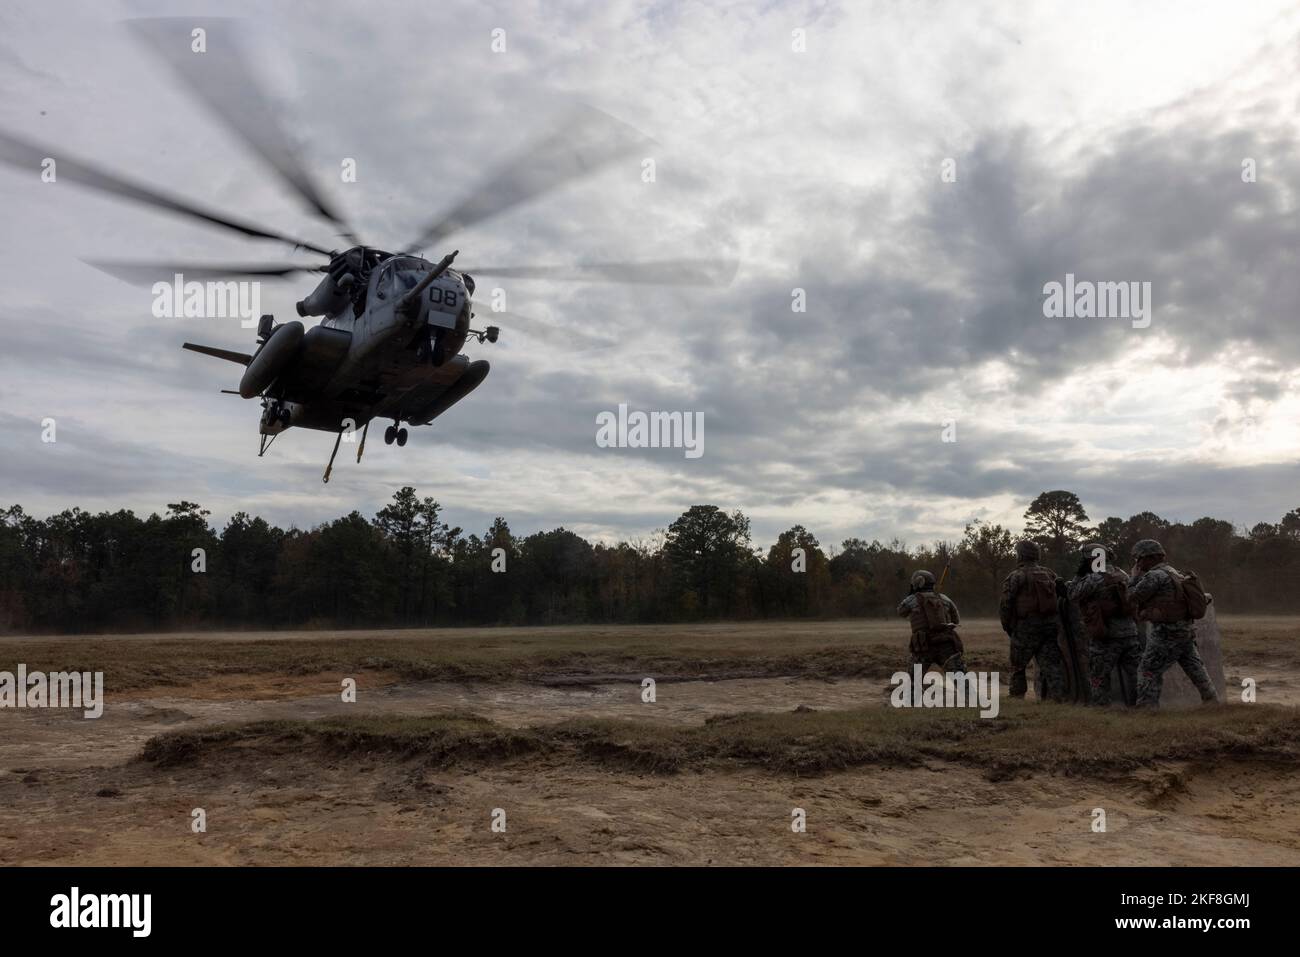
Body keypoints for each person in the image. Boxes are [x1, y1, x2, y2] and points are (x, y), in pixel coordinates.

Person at [1127, 539, 1219, 707]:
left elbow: (1132, 596)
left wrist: (1134, 578)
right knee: (1195, 669)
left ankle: (1147, 709)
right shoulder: (1174, 572)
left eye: (1138, 559)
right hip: (1185, 631)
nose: (1137, 563)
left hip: (1165, 633)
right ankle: (1212, 701)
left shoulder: (1155, 576)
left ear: (1148, 558)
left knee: (1148, 670)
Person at [1068, 542, 1141, 706]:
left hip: (1106, 636)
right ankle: (1141, 706)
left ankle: (1102, 710)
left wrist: (1079, 574)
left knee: (1099, 676)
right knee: (1135, 674)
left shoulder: (1095, 577)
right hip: (1130, 633)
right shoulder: (1122, 574)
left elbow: (1073, 594)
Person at [999, 540, 1067, 700]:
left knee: (1018, 666)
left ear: (1021, 555)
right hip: (1049, 627)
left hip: (1025, 627)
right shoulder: (1050, 574)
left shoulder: (1016, 576)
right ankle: (1058, 697)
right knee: (1051, 665)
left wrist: (1008, 626)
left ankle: (1017, 695)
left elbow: (1006, 604)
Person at [897, 570, 967, 674]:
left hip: (923, 647)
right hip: (946, 645)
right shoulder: (945, 598)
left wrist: (911, 594)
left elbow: (901, 612)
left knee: (913, 683)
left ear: (917, 583)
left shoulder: (912, 599)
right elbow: (956, 620)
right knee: (962, 681)